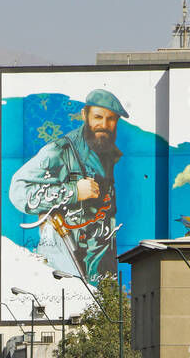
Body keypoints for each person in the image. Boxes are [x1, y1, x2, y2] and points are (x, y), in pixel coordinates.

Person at [8, 88, 128, 283]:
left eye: (111, 119)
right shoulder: (60, 151)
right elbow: (18, 190)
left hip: (100, 264)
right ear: (84, 115)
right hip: (66, 262)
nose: (104, 125)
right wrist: (73, 192)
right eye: (98, 117)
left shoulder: (109, 153)